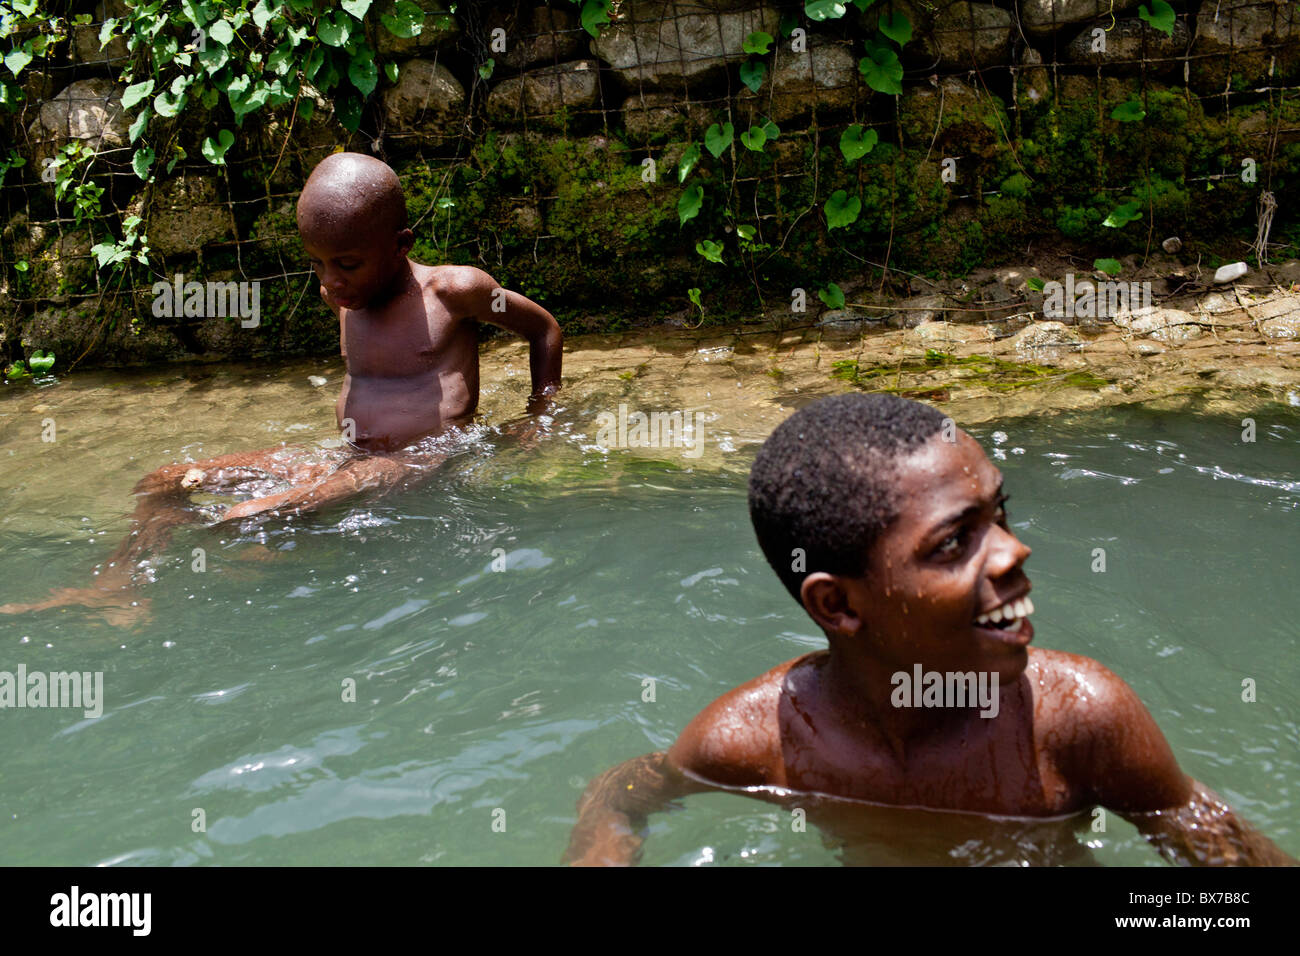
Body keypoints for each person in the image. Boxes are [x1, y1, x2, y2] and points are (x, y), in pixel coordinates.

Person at [564, 393, 1295, 866]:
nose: (1014, 552)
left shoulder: (1076, 720)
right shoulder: (758, 743)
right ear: (838, 607)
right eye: (955, 542)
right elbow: (622, 792)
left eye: (1001, 515)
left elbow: (1223, 857)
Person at [1, 152, 563, 622]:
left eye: (346, 263)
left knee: (257, 514)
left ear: (400, 244)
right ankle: (118, 581)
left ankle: (230, 569)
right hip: (348, 453)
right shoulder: (341, 295)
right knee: (163, 482)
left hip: (418, 461)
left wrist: (540, 416)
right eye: (316, 263)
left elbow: (543, 328)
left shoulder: (453, 291)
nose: (329, 281)